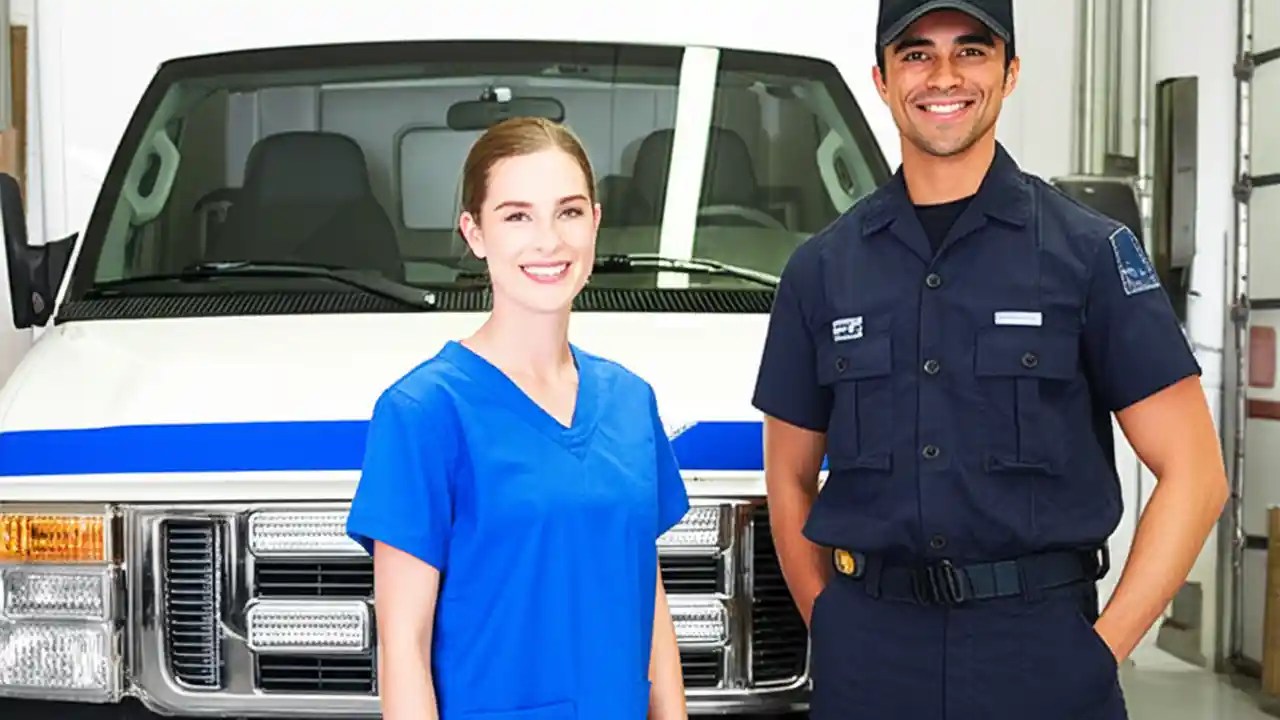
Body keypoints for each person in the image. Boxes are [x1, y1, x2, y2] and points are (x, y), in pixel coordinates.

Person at [752, 1, 1229, 718]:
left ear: (1009, 73)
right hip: (871, 658)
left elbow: (1196, 475)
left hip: (1040, 651)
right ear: (882, 79)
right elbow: (788, 478)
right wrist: (832, 626)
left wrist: (1103, 651)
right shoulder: (820, 271)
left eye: (970, 51)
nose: (943, 75)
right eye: (916, 54)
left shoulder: (1089, 255)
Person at [345, 116, 691, 720]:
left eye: (569, 212)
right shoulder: (424, 413)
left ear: (596, 223)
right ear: (474, 233)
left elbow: (648, 603)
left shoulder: (631, 401)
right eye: (516, 215)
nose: (548, 241)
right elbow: (404, 650)